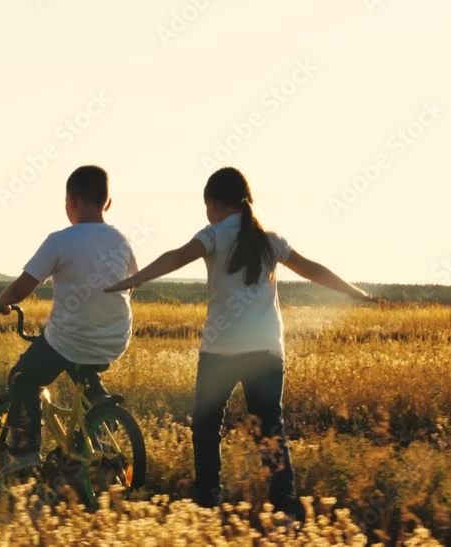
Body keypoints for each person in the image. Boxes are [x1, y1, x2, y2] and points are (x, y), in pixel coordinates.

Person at [105, 166, 375, 515]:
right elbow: (312, 269)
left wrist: (133, 280)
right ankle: (286, 509)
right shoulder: (269, 239)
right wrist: (354, 291)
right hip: (266, 350)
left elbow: (175, 257)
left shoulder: (214, 234)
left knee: (205, 426)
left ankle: (207, 503)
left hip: (221, 349)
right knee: (268, 431)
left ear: (213, 204)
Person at [0, 165, 138, 476]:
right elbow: (131, 282)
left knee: (23, 378)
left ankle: (26, 453)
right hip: (114, 338)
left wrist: (0, 302)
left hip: (71, 338)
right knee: (82, 370)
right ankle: (101, 425)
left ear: (71, 201)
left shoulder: (59, 240)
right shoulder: (121, 241)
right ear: (107, 203)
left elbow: (23, 287)